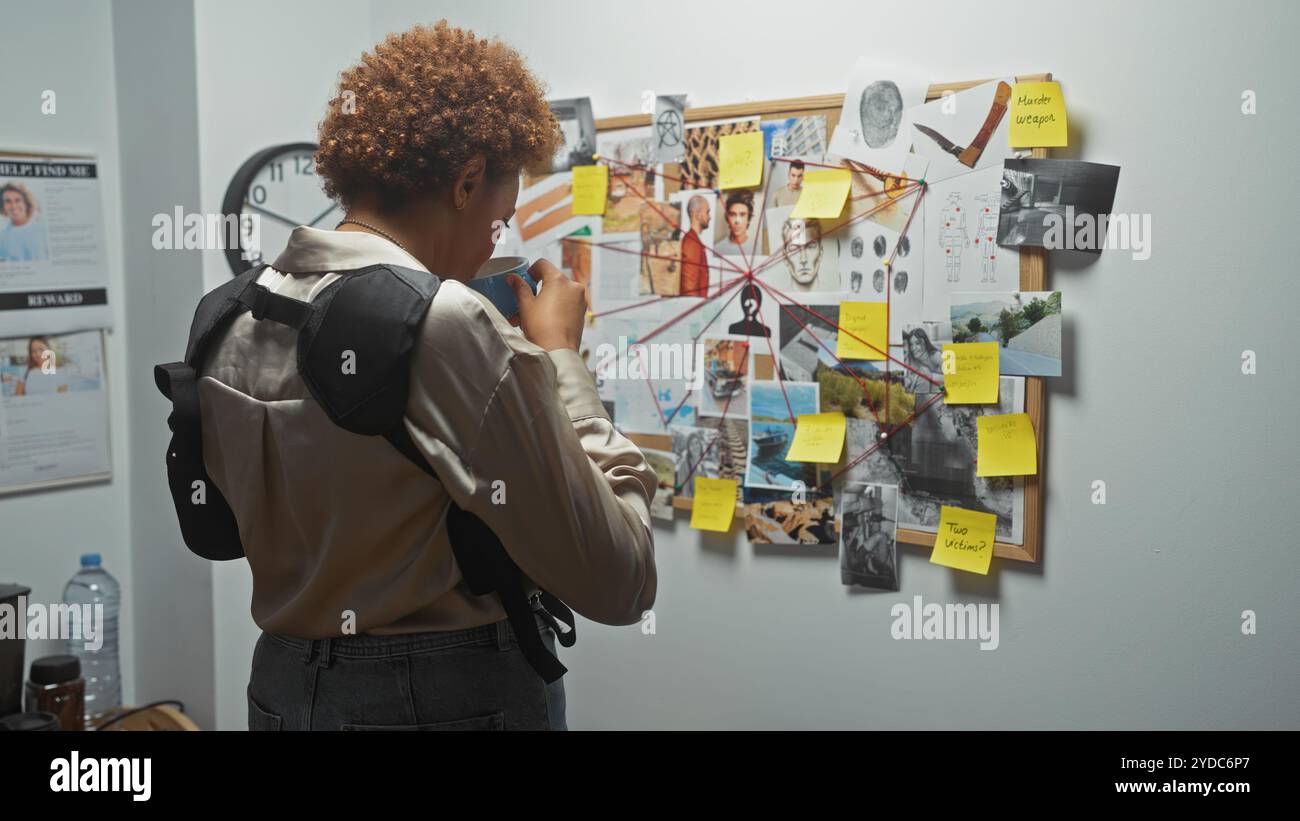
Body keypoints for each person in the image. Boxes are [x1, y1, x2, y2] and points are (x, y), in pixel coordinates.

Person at [204, 22, 656, 731]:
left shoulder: (229, 314)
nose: (491, 245)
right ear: (467, 179)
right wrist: (560, 360)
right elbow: (621, 577)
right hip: (444, 698)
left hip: (282, 688)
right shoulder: (445, 325)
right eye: (499, 220)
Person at [0, 182, 51, 262]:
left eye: (18, 200)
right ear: (3, 206)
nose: (13, 206)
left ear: (26, 203)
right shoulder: (2, 237)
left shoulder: (44, 230)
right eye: (8, 201)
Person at [679, 195, 711, 295]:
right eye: (707, 212)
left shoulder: (694, 241)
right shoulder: (692, 243)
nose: (710, 217)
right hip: (694, 306)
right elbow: (689, 288)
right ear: (697, 214)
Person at [715, 190, 754, 257]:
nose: (737, 221)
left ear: (749, 219)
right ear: (727, 218)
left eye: (742, 215)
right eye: (733, 215)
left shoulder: (758, 249)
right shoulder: (716, 249)